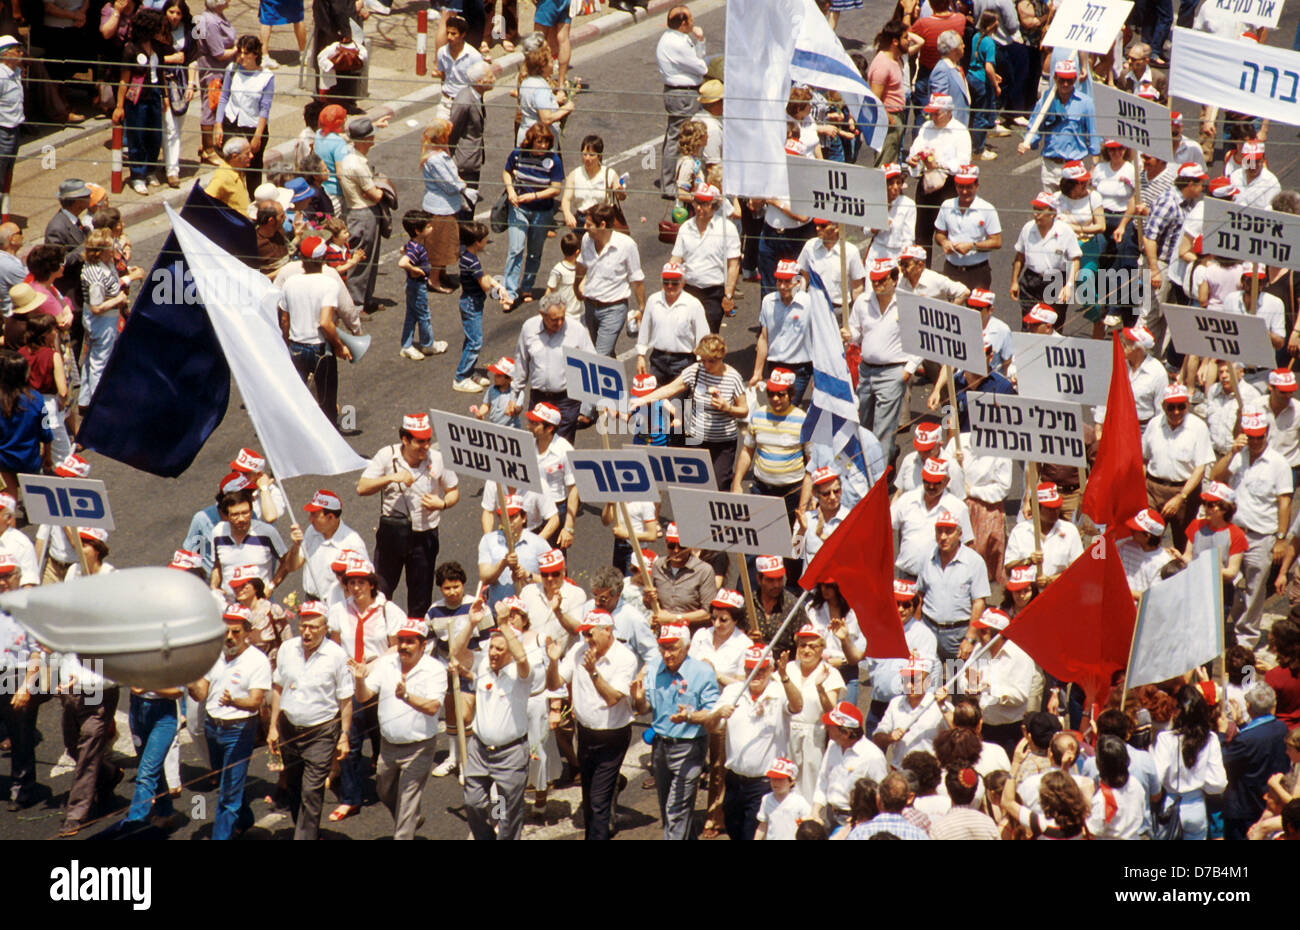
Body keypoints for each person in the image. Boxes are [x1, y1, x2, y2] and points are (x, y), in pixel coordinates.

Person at [357, 412, 459, 619]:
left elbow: (453, 489)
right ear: (405, 439)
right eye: (420, 442)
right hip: (392, 533)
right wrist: (391, 478)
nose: (426, 446)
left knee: (420, 597)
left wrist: (444, 503)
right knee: (380, 591)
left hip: (425, 535)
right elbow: (362, 487)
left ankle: (416, 638)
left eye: (428, 440)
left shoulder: (438, 459)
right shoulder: (387, 456)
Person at [545, 608, 636, 840]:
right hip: (586, 734)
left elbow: (614, 698)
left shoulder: (625, 658)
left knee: (598, 801)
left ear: (607, 631)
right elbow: (555, 683)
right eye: (584, 634)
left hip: (612, 736)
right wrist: (553, 662)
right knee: (589, 798)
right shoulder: (578, 650)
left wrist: (593, 672)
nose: (587, 639)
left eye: (591, 633)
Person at [353, 617, 445, 840]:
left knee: (407, 800)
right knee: (384, 791)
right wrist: (359, 679)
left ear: (423, 645)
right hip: (389, 746)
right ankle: (412, 818)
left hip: (419, 748)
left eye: (410, 641)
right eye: (401, 640)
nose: (403, 646)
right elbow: (364, 695)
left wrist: (406, 696)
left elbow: (433, 707)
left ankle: (406, 827)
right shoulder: (387, 664)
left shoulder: (435, 669)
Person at [630, 622, 720, 839]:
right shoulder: (653, 668)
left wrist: (689, 716)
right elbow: (645, 708)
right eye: (663, 647)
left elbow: (713, 716)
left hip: (689, 747)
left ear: (687, 648)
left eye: (673, 648)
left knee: (675, 812)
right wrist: (639, 700)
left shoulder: (703, 672)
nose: (667, 654)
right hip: (660, 747)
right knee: (669, 811)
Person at [186, 604, 269, 840]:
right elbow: (200, 694)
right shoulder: (214, 656)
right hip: (212, 727)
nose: (229, 638)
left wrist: (234, 701)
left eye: (235, 632)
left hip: (239, 730)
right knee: (227, 781)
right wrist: (190, 678)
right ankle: (244, 818)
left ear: (248, 632)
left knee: (228, 793)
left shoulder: (257, 661)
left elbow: (255, 702)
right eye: (225, 632)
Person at [268, 608, 352, 841]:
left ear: (325, 629)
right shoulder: (287, 649)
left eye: (313, 627)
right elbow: (277, 688)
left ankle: (304, 837)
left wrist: (344, 735)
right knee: (294, 786)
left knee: (311, 791)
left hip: (321, 732)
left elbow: (345, 700)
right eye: (303, 626)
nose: (306, 632)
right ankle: (305, 831)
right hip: (289, 729)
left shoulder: (336, 656)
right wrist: (273, 726)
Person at [1212, 411, 1292, 649]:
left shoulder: (1278, 464)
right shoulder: (1239, 456)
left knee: (1255, 588)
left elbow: (1284, 502)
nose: (1255, 442)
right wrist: (1231, 453)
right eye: (1251, 437)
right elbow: (1216, 478)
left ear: (1266, 435)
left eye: (1260, 437)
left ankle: (1245, 638)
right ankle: (1222, 625)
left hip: (1260, 535)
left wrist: (1280, 538)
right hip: (1233, 532)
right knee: (1224, 580)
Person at [628, 334, 747, 485]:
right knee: (694, 486)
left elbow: (744, 410)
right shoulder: (696, 371)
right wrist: (644, 399)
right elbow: (670, 389)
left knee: (719, 485)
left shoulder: (733, 378)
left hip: (722, 443)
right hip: (696, 439)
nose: (707, 365)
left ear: (721, 356)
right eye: (703, 360)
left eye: (711, 361)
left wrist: (727, 407)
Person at [458, 620, 532, 840]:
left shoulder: (521, 676)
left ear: (511, 652)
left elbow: (523, 659)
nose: (493, 652)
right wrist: (470, 623)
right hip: (480, 751)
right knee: (474, 802)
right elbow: (457, 652)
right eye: (491, 647)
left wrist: (505, 624)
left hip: (510, 754)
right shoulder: (483, 666)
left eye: (500, 648)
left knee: (508, 812)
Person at [848, 258, 921, 465]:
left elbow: (919, 339)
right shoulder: (862, 301)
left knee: (883, 430)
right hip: (866, 371)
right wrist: (849, 335)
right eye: (874, 281)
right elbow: (856, 331)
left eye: (882, 280)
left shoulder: (907, 303)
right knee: (864, 425)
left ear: (894, 279)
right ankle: (885, 458)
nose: (877, 284)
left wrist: (908, 370)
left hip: (892, 373)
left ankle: (879, 477)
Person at [276, 235, 351, 425]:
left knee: (298, 399)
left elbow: (284, 321)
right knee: (327, 401)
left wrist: (287, 343)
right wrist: (340, 345)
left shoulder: (290, 283)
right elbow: (326, 323)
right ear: (323, 259)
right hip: (320, 349)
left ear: (302, 260)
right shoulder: (329, 284)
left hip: (296, 346)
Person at [733, 368, 809, 524]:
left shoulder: (803, 420)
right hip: (762, 489)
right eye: (771, 394)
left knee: (792, 541)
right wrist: (737, 483)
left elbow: (811, 462)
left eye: (781, 394)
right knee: (761, 535)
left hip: (792, 491)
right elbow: (747, 451)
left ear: (791, 394)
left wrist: (806, 501)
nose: (775, 398)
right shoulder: (758, 416)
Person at [1143, 383, 1214, 550]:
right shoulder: (1154, 425)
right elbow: (1143, 459)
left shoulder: (1198, 427)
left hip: (1184, 493)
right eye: (1171, 407)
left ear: (1187, 405)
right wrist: (1142, 488)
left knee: (1184, 544)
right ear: (1163, 406)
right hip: (1153, 489)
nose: (1176, 412)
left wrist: (1181, 497)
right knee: (1147, 539)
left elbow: (1200, 469)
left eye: (1181, 407)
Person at [1153, 684, 1228, 840]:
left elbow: (1157, 778)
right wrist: (1199, 780)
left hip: (1169, 805)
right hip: (1196, 808)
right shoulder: (1211, 738)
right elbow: (1218, 783)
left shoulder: (1165, 739)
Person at [502, 123, 564, 306]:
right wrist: (511, 191)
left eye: (546, 142)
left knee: (534, 252)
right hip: (519, 207)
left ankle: (527, 286)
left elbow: (555, 189)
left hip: (542, 211)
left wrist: (535, 195)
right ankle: (510, 293)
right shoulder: (518, 154)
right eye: (539, 142)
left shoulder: (554, 160)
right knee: (516, 249)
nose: (543, 146)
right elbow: (506, 172)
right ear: (531, 141)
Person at [575, 203, 645, 358]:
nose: (585, 227)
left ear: (603, 225)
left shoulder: (626, 245)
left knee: (600, 355)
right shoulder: (587, 239)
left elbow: (636, 279)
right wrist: (576, 287)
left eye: (589, 224)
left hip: (614, 308)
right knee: (604, 355)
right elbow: (581, 264)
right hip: (590, 307)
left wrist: (642, 307)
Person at [1017, 58, 1098, 192]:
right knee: (1049, 210)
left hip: (1073, 166)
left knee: (1071, 209)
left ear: (1075, 79)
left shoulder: (1086, 103)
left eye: (1070, 80)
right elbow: (1035, 127)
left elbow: (1094, 135)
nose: (1065, 84)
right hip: (1050, 165)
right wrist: (1027, 142)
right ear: (1055, 78)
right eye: (1062, 80)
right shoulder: (1046, 100)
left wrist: (1095, 165)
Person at [0, 557, 42, 812]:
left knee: (21, 736)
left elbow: (37, 653)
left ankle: (23, 790)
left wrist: (26, 686)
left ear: (18, 578)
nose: (2, 582)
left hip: (17, 676)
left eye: (7, 577)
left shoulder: (29, 611)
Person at [1222, 681, 1288, 840]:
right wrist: (1241, 724)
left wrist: (1221, 732)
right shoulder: (1283, 729)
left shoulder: (1245, 739)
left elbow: (1224, 759)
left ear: (1249, 707)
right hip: (1269, 802)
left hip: (1245, 808)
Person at [669, 184, 740, 333]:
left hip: (713, 294)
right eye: (697, 202)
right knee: (683, 335)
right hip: (687, 290)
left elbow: (733, 265)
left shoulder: (727, 229)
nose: (699, 207)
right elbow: (676, 260)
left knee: (707, 338)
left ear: (714, 205)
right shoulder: (685, 228)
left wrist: (728, 295)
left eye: (704, 203)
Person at [907, 93, 971, 258]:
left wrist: (940, 164)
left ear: (949, 112)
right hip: (927, 182)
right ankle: (922, 272)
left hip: (948, 186)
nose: (933, 117)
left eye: (937, 113)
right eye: (931, 113)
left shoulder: (960, 132)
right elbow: (915, 150)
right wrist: (913, 160)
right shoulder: (926, 128)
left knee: (951, 232)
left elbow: (963, 163)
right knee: (922, 233)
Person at [110, 8, 167, 195]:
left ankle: (150, 169)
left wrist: (165, 96)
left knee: (155, 136)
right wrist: (119, 106)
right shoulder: (131, 49)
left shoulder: (157, 47)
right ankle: (138, 175)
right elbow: (124, 80)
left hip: (155, 96)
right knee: (138, 137)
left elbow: (161, 73)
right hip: (137, 99)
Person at [655, 5, 706, 198]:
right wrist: (700, 41)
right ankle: (670, 185)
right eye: (691, 18)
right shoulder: (678, 43)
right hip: (683, 95)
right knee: (678, 138)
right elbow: (700, 66)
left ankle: (680, 178)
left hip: (680, 93)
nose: (693, 21)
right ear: (683, 23)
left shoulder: (672, 39)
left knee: (674, 136)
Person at [213, 35, 274, 194]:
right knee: (232, 168)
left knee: (253, 171)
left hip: (252, 127)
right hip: (231, 123)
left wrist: (257, 136)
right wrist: (218, 124)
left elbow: (264, 108)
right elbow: (224, 97)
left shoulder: (266, 76)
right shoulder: (232, 69)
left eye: (246, 53)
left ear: (255, 54)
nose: (241, 57)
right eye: (239, 52)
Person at [337, 118, 385, 313]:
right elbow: (376, 194)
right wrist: (382, 186)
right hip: (364, 213)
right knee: (362, 259)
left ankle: (365, 298)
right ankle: (356, 305)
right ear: (366, 139)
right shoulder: (357, 164)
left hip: (360, 211)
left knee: (370, 258)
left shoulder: (352, 157)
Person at [636, 263, 709, 388]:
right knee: (656, 403)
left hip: (683, 362)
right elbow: (644, 330)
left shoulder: (693, 305)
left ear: (683, 282)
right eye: (666, 282)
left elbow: (703, 337)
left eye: (675, 283)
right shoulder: (653, 301)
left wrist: (702, 365)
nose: (670, 286)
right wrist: (641, 356)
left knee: (678, 403)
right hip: (657, 360)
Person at [1009, 190, 1081, 317]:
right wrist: (1014, 281)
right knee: (1028, 323)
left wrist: (1069, 285)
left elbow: (1075, 260)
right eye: (1035, 209)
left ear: (1052, 213)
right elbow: (1020, 257)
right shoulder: (1028, 228)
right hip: (1031, 280)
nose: (1036, 214)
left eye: (1041, 210)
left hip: (1055, 281)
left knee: (1052, 324)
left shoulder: (1065, 231)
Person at [933, 164, 1001, 290]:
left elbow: (997, 241)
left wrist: (972, 246)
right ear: (956, 186)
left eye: (969, 187)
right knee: (952, 308)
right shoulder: (947, 205)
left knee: (977, 309)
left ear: (977, 186)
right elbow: (939, 234)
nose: (964, 192)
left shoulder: (987, 209)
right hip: (951, 270)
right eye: (961, 187)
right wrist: (944, 242)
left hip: (977, 272)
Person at [418, 119, 467, 294]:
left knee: (446, 244)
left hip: (447, 206)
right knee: (439, 246)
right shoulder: (435, 159)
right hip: (441, 208)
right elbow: (449, 184)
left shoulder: (438, 152)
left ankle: (442, 274)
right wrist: (463, 186)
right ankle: (434, 280)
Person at [1003, 482, 1083, 581]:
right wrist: (1028, 561)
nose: (1055, 512)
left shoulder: (1070, 531)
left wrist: (1050, 580)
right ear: (1036, 508)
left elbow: (1078, 569)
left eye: (1057, 507)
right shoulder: (1020, 532)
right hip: (1029, 593)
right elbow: (1008, 569)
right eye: (1050, 509)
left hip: (1058, 590)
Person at [448, 60, 493, 215]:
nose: (493, 78)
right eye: (490, 76)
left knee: (470, 204)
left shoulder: (476, 96)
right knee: (465, 207)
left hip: (472, 159)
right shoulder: (464, 101)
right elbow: (451, 132)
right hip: (464, 161)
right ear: (480, 81)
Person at [560, 134, 625, 231]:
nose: (587, 158)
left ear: (599, 156)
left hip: (602, 222)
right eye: (584, 154)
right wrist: (567, 213)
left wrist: (620, 191)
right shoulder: (574, 174)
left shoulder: (609, 174)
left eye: (591, 155)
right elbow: (566, 199)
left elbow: (621, 197)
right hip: (581, 221)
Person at [754, 756, 811, 840]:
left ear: (791, 781)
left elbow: (809, 822)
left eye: (780, 779)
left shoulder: (799, 801)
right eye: (773, 778)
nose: (775, 782)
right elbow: (763, 825)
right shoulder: (766, 799)